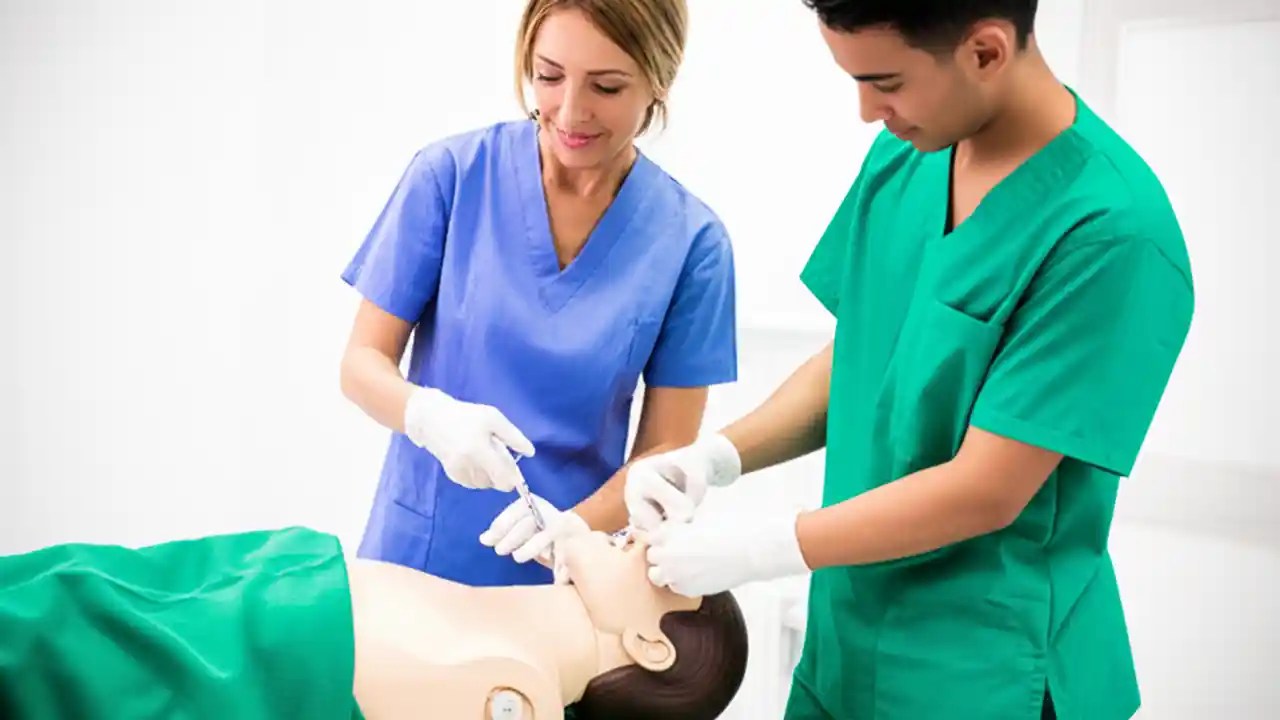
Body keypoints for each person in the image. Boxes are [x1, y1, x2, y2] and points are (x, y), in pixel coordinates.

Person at [622, 2, 1197, 719]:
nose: (867, 111)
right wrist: (714, 457)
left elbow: (987, 489)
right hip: (846, 648)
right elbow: (865, 355)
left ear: (985, 51)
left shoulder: (1109, 233)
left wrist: (766, 547)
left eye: (885, 81)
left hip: (983, 672)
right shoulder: (910, 152)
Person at [338, 0, 737, 587]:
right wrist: (429, 416)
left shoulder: (692, 243)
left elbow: (665, 455)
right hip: (415, 560)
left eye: (606, 86)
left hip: (569, 574)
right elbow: (360, 364)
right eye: (549, 76)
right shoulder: (450, 176)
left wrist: (572, 527)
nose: (570, 112)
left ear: (659, 80)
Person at [0, 527, 748, 719]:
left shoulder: (510, 694)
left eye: (672, 576)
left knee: (49, 630)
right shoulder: (512, 659)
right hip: (237, 598)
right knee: (61, 585)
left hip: (224, 654)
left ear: (650, 646)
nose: (652, 545)